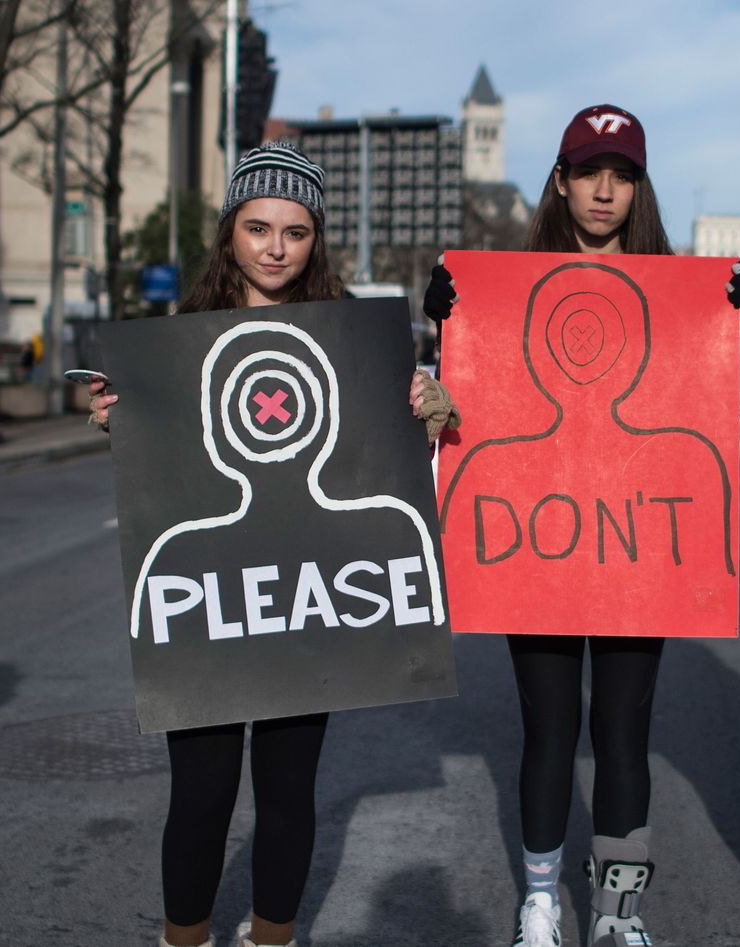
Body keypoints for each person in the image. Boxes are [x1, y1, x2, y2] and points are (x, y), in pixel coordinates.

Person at [88, 140, 460, 947]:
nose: (276, 247)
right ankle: (182, 938)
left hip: (307, 598)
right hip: (211, 602)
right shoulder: (183, 338)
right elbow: (160, 464)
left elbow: (415, 443)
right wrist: (122, 417)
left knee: (289, 790)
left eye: (295, 231)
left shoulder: (356, 342)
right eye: (258, 226)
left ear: (315, 237)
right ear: (230, 231)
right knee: (202, 792)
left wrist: (430, 402)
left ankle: (273, 938)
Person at [424, 103, 740, 947]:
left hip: (642, 549)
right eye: (589, 172)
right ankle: (540, 899)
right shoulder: (503, 287)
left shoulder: (682, 292)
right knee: (549, 729)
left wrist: (732, 327)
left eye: (623, 176)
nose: (605, 191)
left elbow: (712, 424)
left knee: (623, 733)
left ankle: (617, 911)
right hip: (540, 544)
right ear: (561, 181)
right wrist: (447, 329)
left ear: (638, 189)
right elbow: (457, 412)